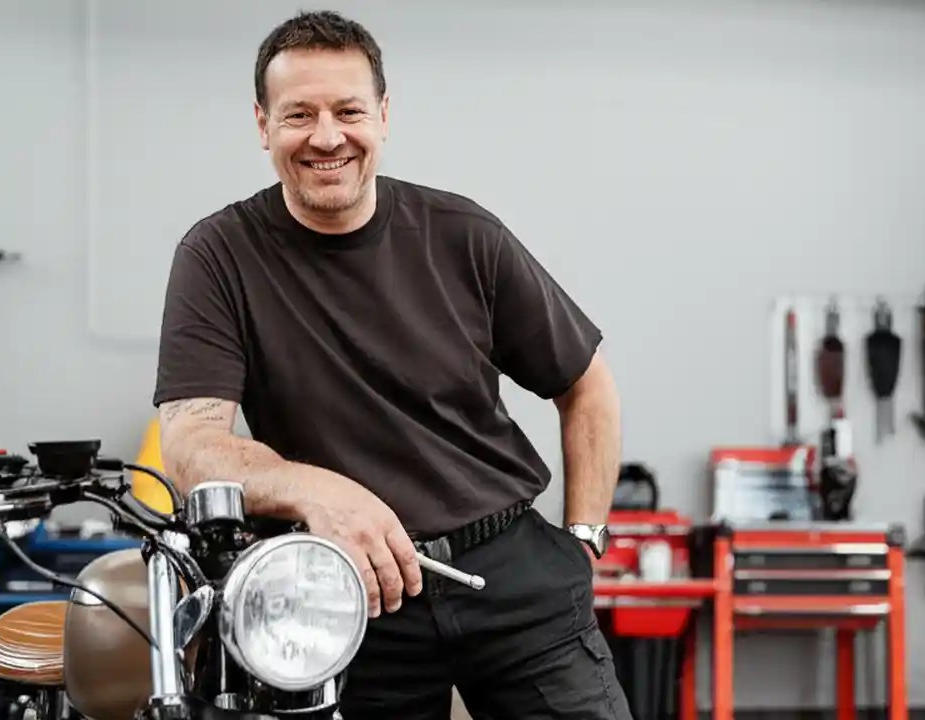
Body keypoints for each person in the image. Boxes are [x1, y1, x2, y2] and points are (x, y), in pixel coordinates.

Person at [152, 9, 630, 719]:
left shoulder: (463, 235)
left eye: (348, 111)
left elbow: (585, 385)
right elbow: (190, 447)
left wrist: (584, 535)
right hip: (347, 597)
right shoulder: (218, 256)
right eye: (298, 115)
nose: (326, 137)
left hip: (511, 574)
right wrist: (320, 493)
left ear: (383, 115)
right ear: (262, 125)